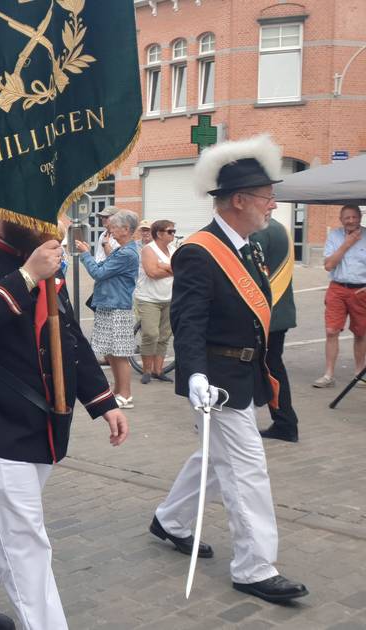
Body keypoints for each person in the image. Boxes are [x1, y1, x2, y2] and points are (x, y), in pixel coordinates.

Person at [0, 216, 128, 629]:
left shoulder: (41, 259)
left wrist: (102, 401)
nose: (51, 224)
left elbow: (67, 335)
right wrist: (25, 276)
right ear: (3, 214)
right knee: (24, 540)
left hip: (40, 422)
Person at [153, 135, 308, 605]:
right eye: (266, 197)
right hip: (216, 381)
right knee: (246, 470)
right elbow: (189, 319)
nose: (272, 204)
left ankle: (171, 520)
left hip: (245, 374)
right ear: (239, 200)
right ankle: (254, 567)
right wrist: (194, 374)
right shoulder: (199, 251)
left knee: (215, 462)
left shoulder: (249, 247)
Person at [76, 209, 140, 409]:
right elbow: (108, 267)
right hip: (108, 304)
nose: (110, 230)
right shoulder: (123, 250)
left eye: (114, 227)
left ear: (126, 229)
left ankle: (126, 395)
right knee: (111, 352)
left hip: (117, 306)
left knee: (119, 353)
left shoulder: (128, 252)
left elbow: (99, 272)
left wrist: (85, 255)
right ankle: (118, 390)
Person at [252, 217, 300, 442]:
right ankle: (284, 421)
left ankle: (285, 421)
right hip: (278, 311)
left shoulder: (259, 230)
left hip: (267, 312)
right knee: (271, 366)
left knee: (269, 367)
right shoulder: (279, 228)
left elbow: (254, 270)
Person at [313, 205, 366, 388]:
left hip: (361, 290)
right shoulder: (335, 236)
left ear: (360, 217)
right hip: (337, 288)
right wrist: (347, 244)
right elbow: (329, 265)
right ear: (341, 219)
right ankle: (328, 375)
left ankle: (359, 373)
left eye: (354, 217)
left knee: (361, 333)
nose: (351, 220)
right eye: (346, 218)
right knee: (331, 331)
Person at [134, 219, 178, 384]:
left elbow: (181, 268)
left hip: (169, 297)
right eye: (170, 231)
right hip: (149, 299)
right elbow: (152, 272)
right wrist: (171, 269)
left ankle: (157, 371)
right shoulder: (148, 249)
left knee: (164, 335)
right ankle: (146, 371)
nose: (173, 234)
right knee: (151, 334)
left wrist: (163, 266)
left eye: (173, 231)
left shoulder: (173, 249)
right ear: (159, 234)